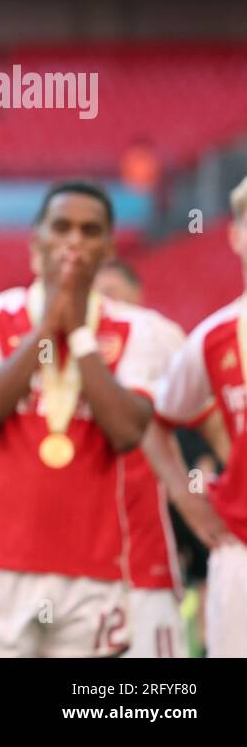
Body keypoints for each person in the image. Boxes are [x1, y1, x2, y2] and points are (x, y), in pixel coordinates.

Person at [0, 182, 180, 657]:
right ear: (37, 241)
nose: (74, 241)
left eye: (90, 231)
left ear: (109, 248)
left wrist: (78, 332)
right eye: (62, 227)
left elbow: (127, 430)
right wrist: (46, 328)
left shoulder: (141, 329)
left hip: (96, 571)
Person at [151, 174, 247, 657]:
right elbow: (155, 421)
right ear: (235, 234)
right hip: (239, 553)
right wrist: (187, 499)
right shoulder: (214, 337)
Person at [93, 258, 190, 657]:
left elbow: (203, 418)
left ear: (138, 297)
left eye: (116, 297)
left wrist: (192, 503)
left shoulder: (158, 334)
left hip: (143, 554)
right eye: (100, 299)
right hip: (68, 562)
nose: (109, 309)